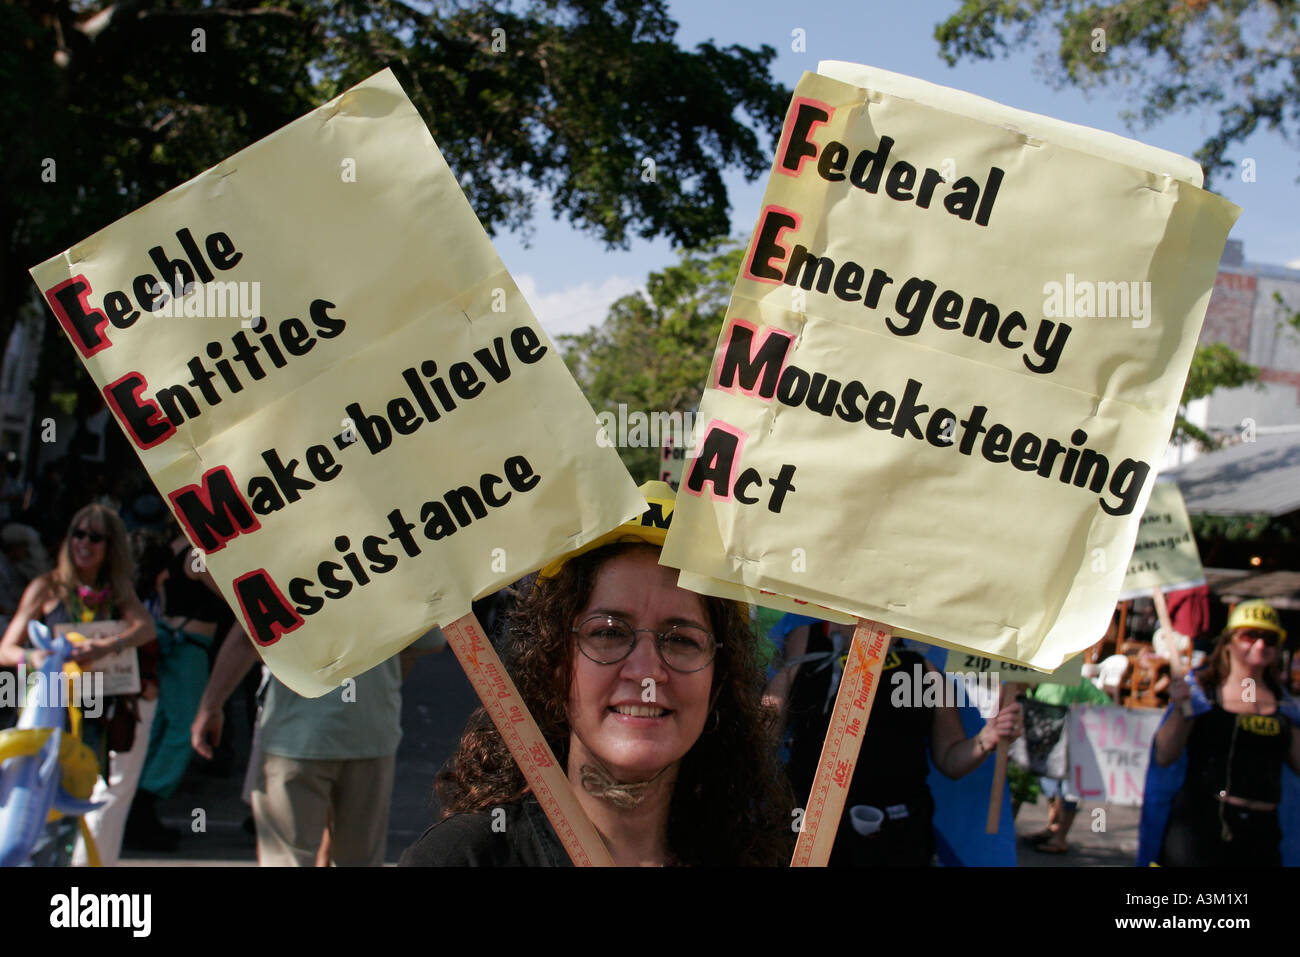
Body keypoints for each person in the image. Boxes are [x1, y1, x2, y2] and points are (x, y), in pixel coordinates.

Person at [401, 481, 794, 867]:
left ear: (718, 680)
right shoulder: (462, 858)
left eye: (681, 640)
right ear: (554, 661)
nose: (646, 672)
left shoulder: (765, 857)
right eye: (607, 632)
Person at [774, 618, 1022, 866]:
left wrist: (986, 739)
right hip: (811, 826)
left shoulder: (922, 654)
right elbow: (767, 731)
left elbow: (950, 759)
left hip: (900, 834)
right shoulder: (805, 638)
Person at [193, 621, 444, 865]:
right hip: (371, 731)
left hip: (294, 733)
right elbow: (428, 640)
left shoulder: (281, 576)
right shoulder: (390, 577)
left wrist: (210, 706)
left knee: (287, 858)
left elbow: (245, 638)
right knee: (359, 859)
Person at [0, 503, 157, 865]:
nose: (84, 543)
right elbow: (7, 647)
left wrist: (107, 645)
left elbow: (145, 627)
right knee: (35, 795)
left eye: (95, 536)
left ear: (111, 545)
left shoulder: (116, 590)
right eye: (78, 534)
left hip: (94, 714)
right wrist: (34, 658)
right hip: (46, 714)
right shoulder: (47, 586)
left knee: (80, 796)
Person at [1141, 600, 1300, 866]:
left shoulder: (1285, 705)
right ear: (1228, 642)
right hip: (1198, 826)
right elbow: (1165, 756)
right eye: (1250, 635)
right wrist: (1181, 709)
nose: (1260, 645)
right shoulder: (1201, 692)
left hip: (1261, 834)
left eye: (1269, 639)